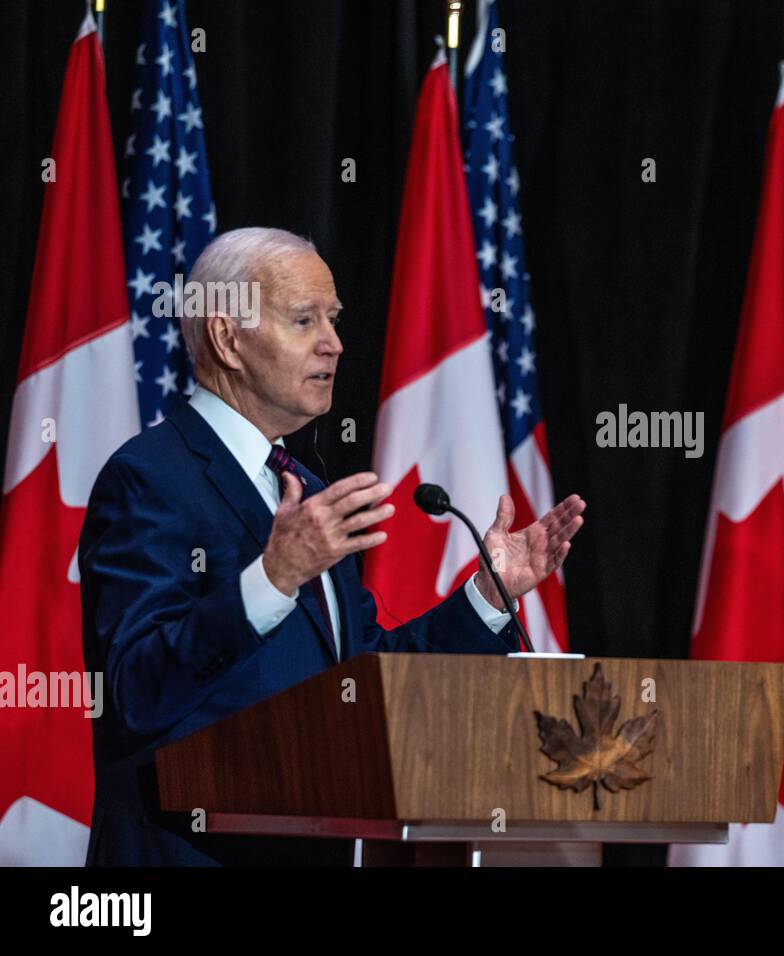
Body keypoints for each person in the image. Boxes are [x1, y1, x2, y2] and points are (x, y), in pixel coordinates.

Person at [79, 227, 585, 865]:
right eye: (303, 319)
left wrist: (487, 597)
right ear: (227, 338)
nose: (335, 343)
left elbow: (365, 680)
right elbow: (130, 691)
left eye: (334, 318)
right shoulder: (150, 476)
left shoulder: (306, 487)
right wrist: (272, 577)